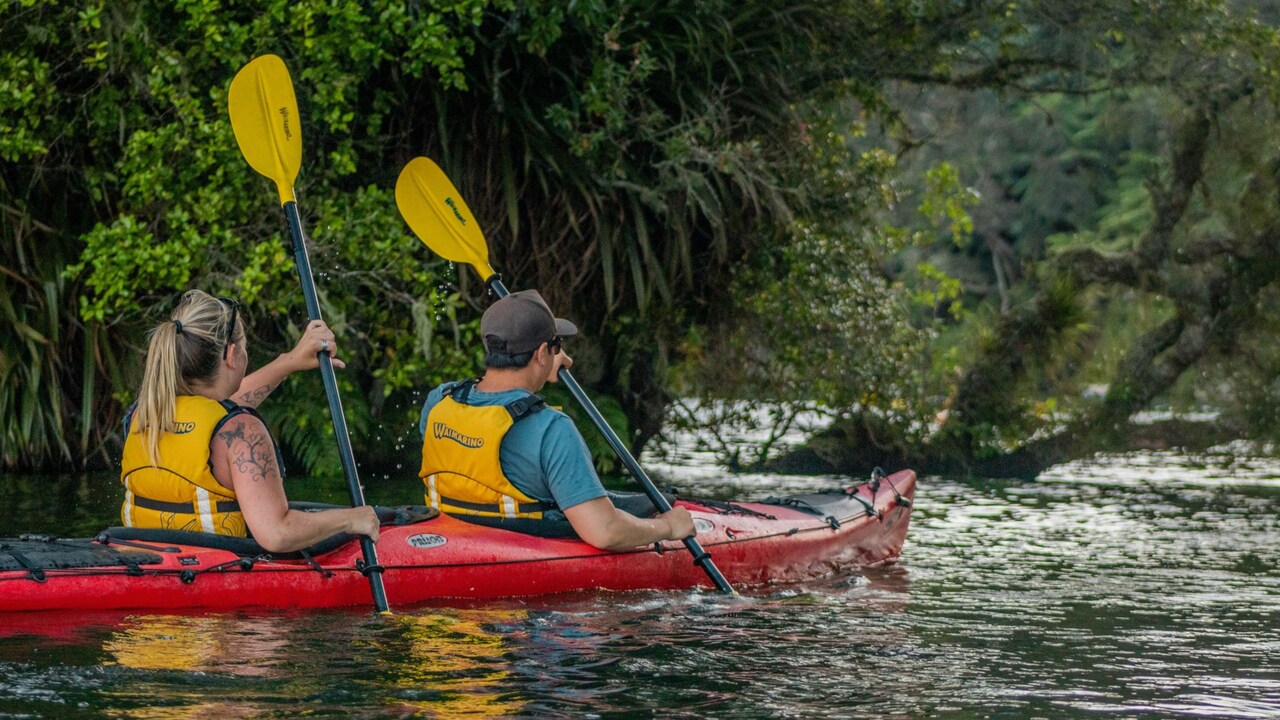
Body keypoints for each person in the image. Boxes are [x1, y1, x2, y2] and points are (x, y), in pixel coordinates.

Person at [418, 290, 694, 550]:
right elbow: (604, 531)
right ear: (540, 353)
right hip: (521, 553)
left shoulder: (440, 401)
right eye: (556, 346)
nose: (564, 356)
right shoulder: (551, 428)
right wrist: (666, 528)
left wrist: (542, 368)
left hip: (451, 538)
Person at [120, 289, 380, 552]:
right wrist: (353, 518)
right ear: (232, 355)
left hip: (147, 562)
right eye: (245, 346)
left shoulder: (144, 414)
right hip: (216, 574)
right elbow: (276, 533)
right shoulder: (241, 432)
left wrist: (289, 362)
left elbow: (216, 413)